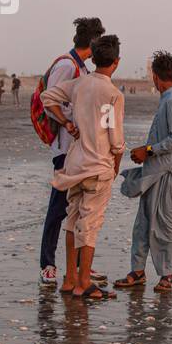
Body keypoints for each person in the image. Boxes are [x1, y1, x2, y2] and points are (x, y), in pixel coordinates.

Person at [40, 34, 125, 298]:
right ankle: (84, 282)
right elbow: (116, 138)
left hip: (75, 165)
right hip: (98, 165)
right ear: (116, 62)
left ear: (94, 56)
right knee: (90, 224)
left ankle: (70, 279)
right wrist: (115, 167)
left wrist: (66, 122)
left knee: (72, 219)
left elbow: (47, 97)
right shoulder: (113, 94)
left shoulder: (78, 84)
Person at [39, 17, 105, 287]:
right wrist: (67, 122)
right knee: (58, 207)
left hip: (78, 150)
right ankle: (48, 264)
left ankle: (79, 267)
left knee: (76, 208)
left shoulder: (81, 68)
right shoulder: (67, 66)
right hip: (65, 148)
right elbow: (50, 100)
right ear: (91, 43)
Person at [114, 51, 172, 294]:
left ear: (155, 77)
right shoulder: (167, 99)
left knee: (164, 223)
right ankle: (137, 271)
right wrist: (147, 154)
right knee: (143, 223)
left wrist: (148, 150)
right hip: (153, 170)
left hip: (167, 172)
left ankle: (167, 275)